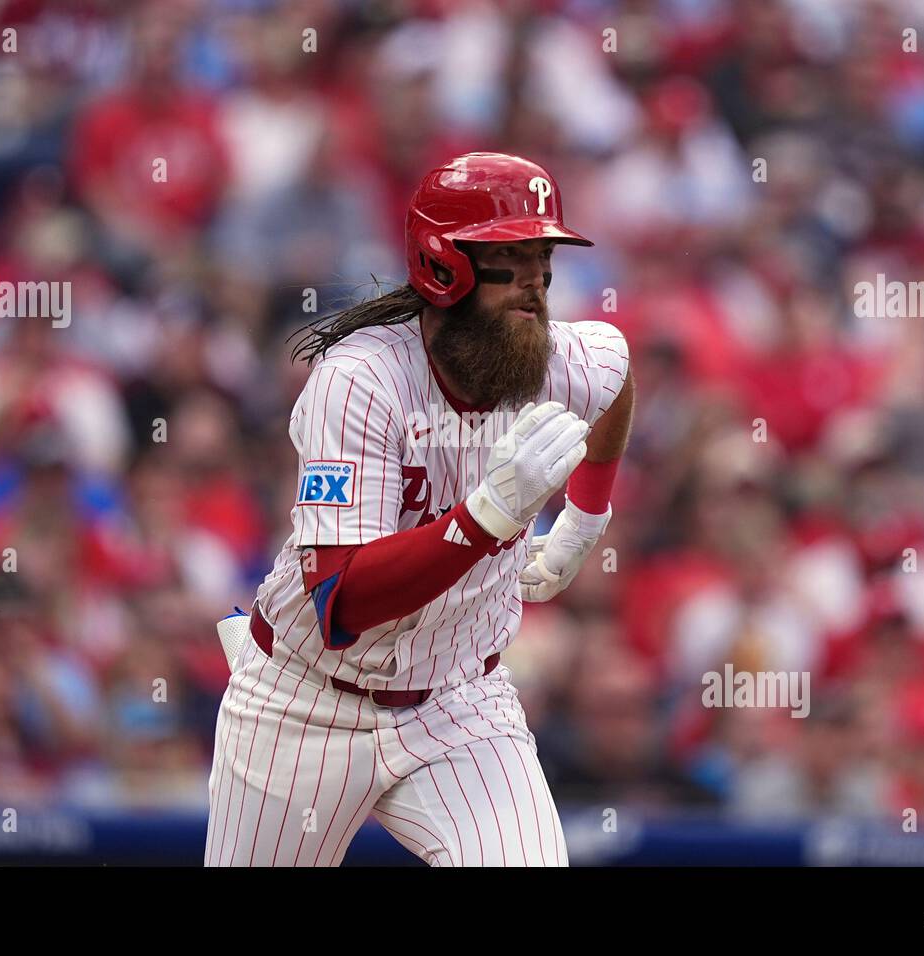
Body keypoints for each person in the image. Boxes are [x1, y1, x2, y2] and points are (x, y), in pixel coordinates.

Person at [204, 152, 634, 866]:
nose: (537, 281)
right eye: (511, 257)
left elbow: (616, 379)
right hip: (304, 700)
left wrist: (586, 522)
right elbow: (341, 601)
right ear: (445, 267)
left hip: (460, 702)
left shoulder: (560, 360)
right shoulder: (362, 379)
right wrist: (487, 517)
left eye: (544, 257)